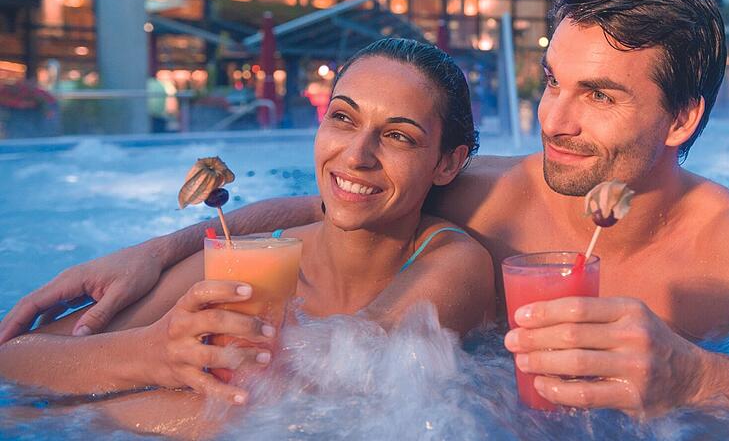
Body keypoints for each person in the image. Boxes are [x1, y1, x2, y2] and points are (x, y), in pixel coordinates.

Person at [2, 0, 729, 430]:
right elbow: (331, 205)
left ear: (684, 116)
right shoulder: (492, 195)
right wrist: (161, 251)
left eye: (602, 95)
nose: (556, 121)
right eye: (552, 80)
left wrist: (706, 378)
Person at [0, 38, 495, 418]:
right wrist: (148, 353)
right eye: (343, 118)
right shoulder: (252, 259)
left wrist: (101, 403)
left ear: (447, 164)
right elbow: (15, 361)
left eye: (398, 136)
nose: (356, 156)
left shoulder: (450, 261)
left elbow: (307, 408)